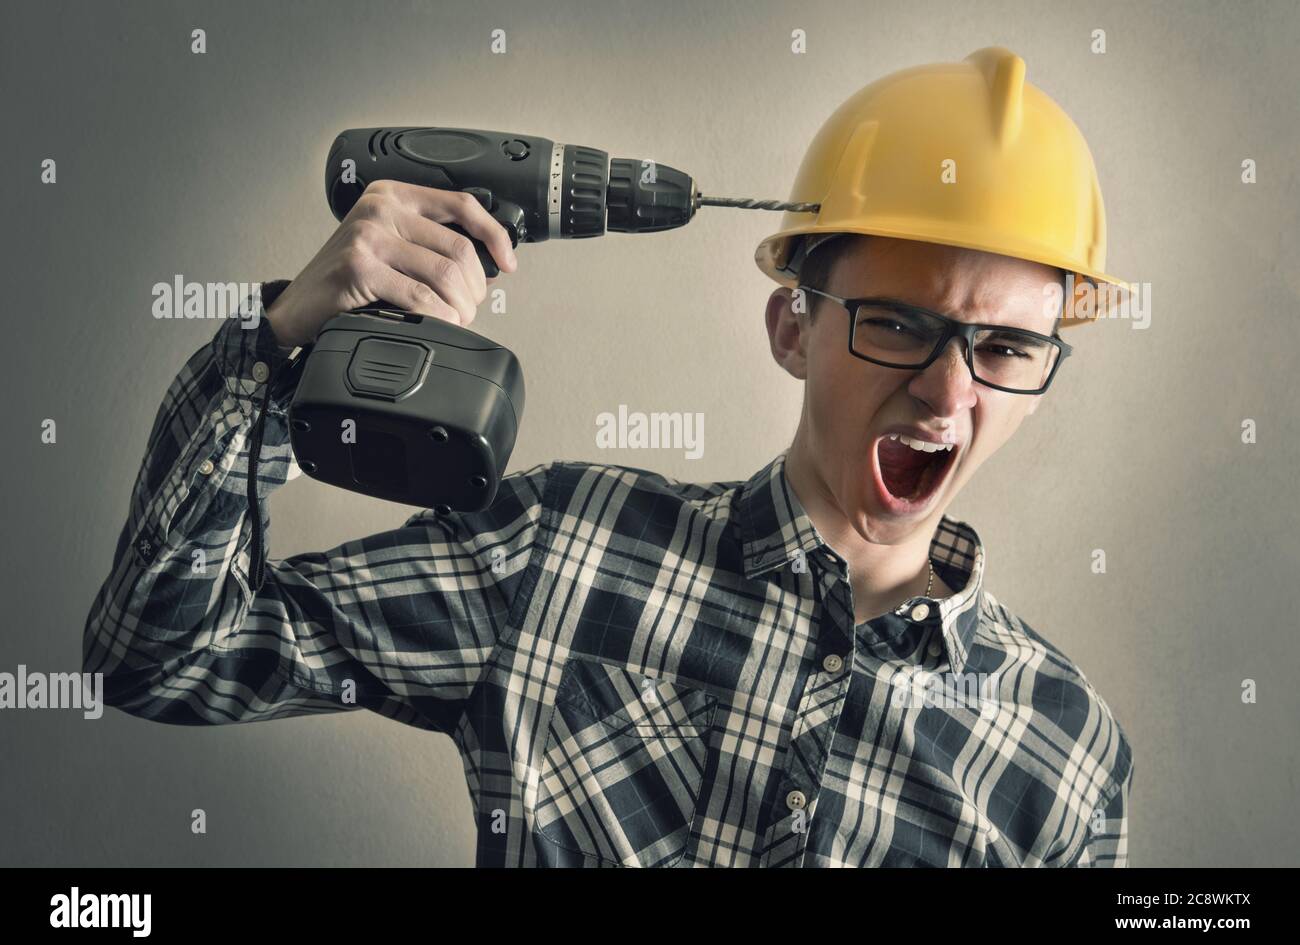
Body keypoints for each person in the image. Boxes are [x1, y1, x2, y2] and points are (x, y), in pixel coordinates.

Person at [83, 46, 1133, 867]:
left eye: (1003, 348)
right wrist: (276, 351)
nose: (950, 391)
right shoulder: (561, 551)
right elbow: (162, 655)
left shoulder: (1065, 750)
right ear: (791, 329)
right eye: (897, 325)